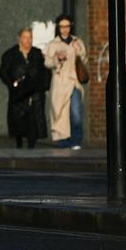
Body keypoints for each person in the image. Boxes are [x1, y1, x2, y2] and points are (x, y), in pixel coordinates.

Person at [0, 28, 50, 148]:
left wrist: (43, 86)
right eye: (25, 37)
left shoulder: (37, 54)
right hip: (18, 92)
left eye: (30, 37)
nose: (28, 40)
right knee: (18, 118)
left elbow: (45, 71)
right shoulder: (10, 54)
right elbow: (3, 72)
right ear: (19, 38)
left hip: (35, 92)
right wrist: (12, 84)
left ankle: (32, 143)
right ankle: (19, 141)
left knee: (34, 118)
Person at [45, 14, 89, 149]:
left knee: (76, 112)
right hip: (59, 83)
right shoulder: (53, 44)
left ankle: (76, 140)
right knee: (60, 113)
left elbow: (84, 60)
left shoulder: (77, 42)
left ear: (71, 27)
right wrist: (57, 58)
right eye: (62, 27)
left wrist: (79, 52)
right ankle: (63, 140)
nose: (65, 29)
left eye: (67, 26)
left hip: (74, 82)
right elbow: (47, 63)